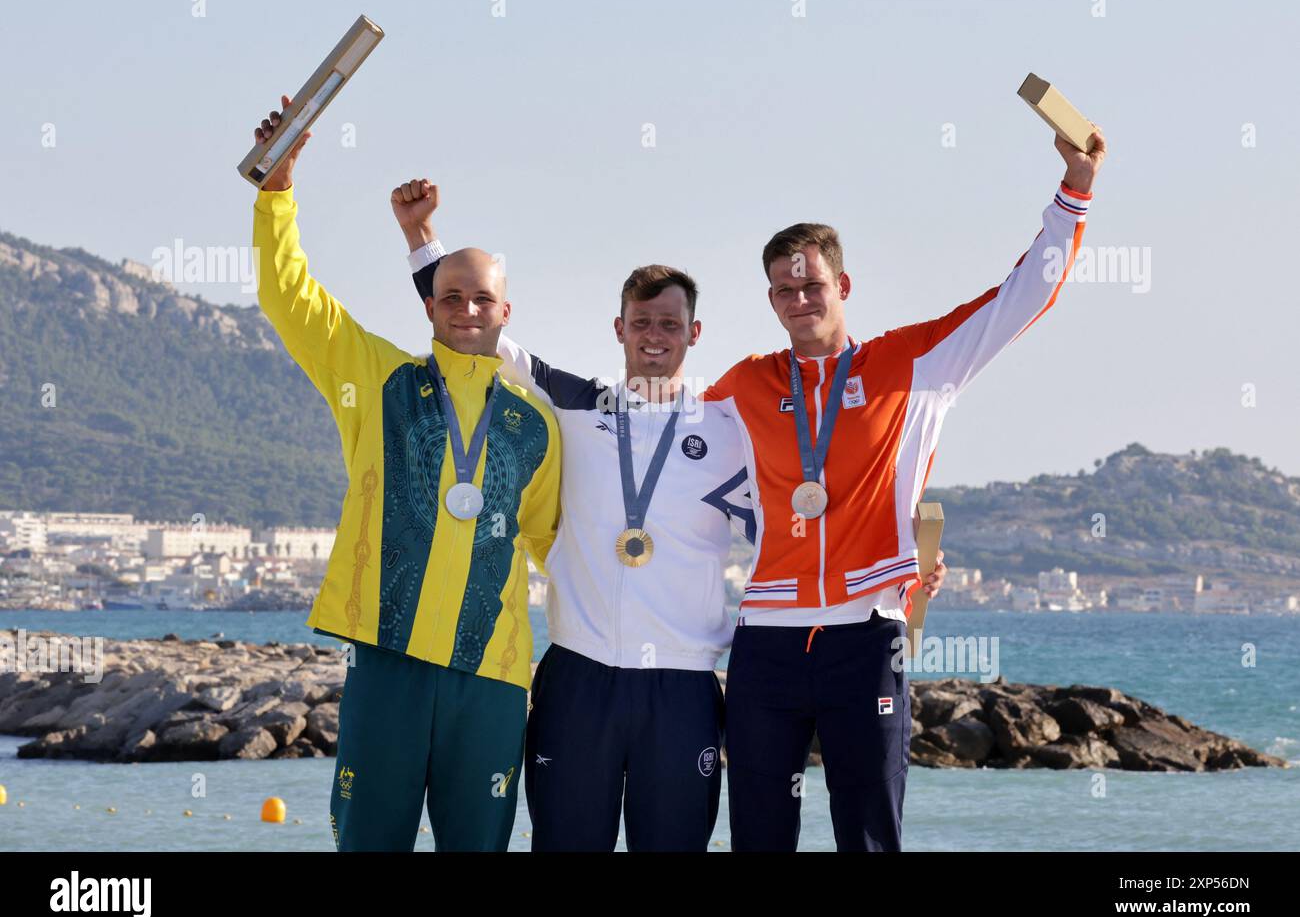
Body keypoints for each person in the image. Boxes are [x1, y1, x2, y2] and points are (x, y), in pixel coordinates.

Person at [390, 178, 948, 851]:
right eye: (642, 322)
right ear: (618, 327)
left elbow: (805, 516)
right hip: (579, 675)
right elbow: (477, 328)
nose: (655, 337)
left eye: (670, 324)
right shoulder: (571, 403)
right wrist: (423, 237)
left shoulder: (729, 424)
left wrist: (903, 564)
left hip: (684, 686)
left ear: (695, 332)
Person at [703, 127, 1107, 851]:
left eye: (814, 285)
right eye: (786, 290)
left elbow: (1025, 294)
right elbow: (657, 438)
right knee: (759, 838)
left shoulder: (916, 363)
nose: (801, 299)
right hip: (764, 642)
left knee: (869, 836)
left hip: (867, 638)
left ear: (844, 286)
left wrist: (1073, 191)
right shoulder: (745, 384)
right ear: (771, 298)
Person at [249, 97, 561, 852]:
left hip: (490, 677)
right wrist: (277, 191)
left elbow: (558, 548)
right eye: (450, 296)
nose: (465, 309)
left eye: (481, 298)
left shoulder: (534, 422)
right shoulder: (378, 380)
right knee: (368, 843)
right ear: (430, 305)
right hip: (387, 660)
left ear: (505, 310)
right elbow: (289, 299)